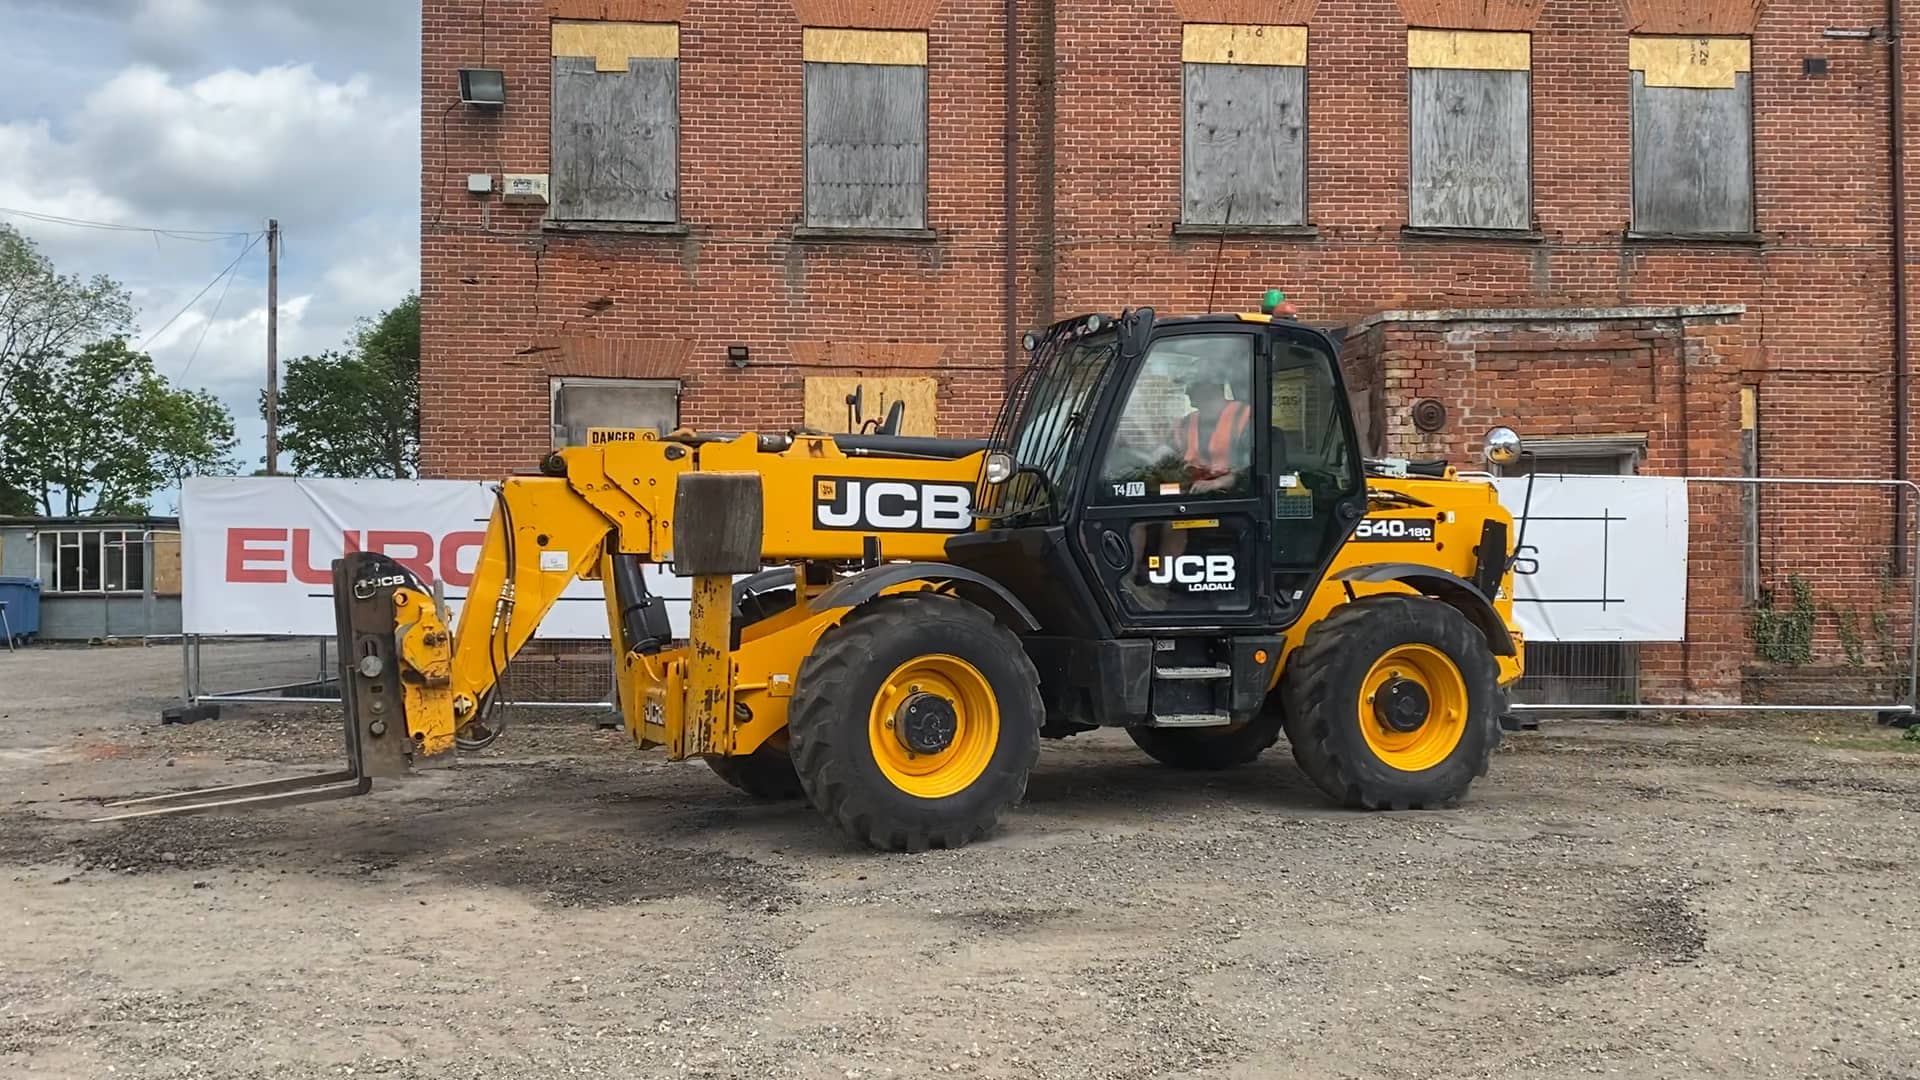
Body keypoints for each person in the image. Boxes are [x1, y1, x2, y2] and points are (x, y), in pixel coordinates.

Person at [1171, 361, 1253, 494]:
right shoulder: (1187, 422)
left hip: (1234, 499)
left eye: (1192, 385)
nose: (1186, 392)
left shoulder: (1246, 418)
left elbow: (1254, 469)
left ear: (1211, 387)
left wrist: (1216, 483)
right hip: (1191, 494)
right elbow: (1173, 459)